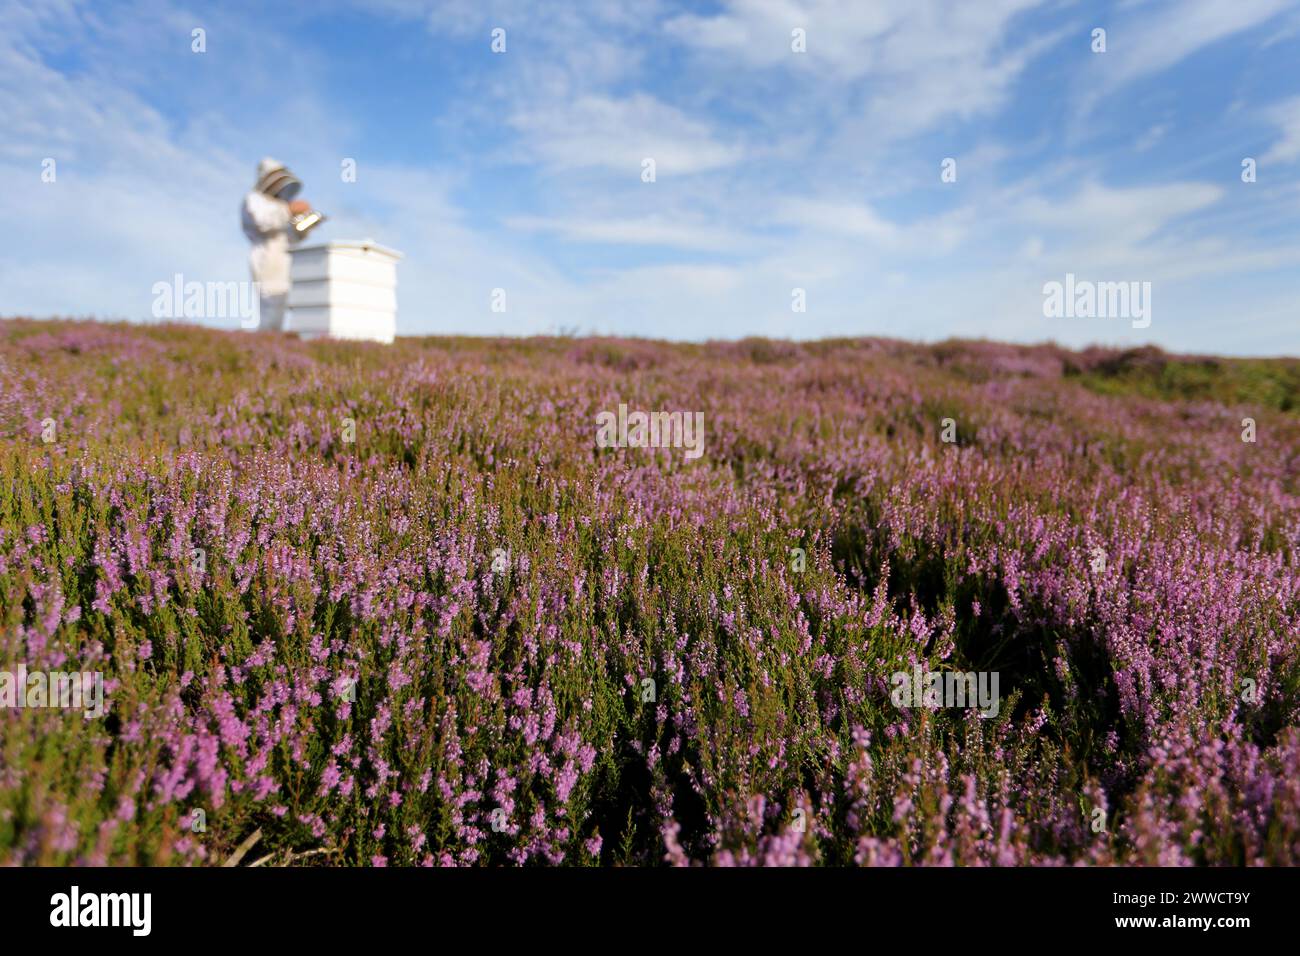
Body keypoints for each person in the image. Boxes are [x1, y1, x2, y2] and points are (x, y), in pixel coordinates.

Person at [241, 158, 312, 332]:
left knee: (286, 306)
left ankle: (276, 347)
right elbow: (262, 222)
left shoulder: (280, 204)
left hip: (286, 257)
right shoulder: (254, 199)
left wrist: (305, 224)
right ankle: (266, 347)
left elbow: (294, 236)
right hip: (266, 257)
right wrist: (289, 210)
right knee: (271, 307)